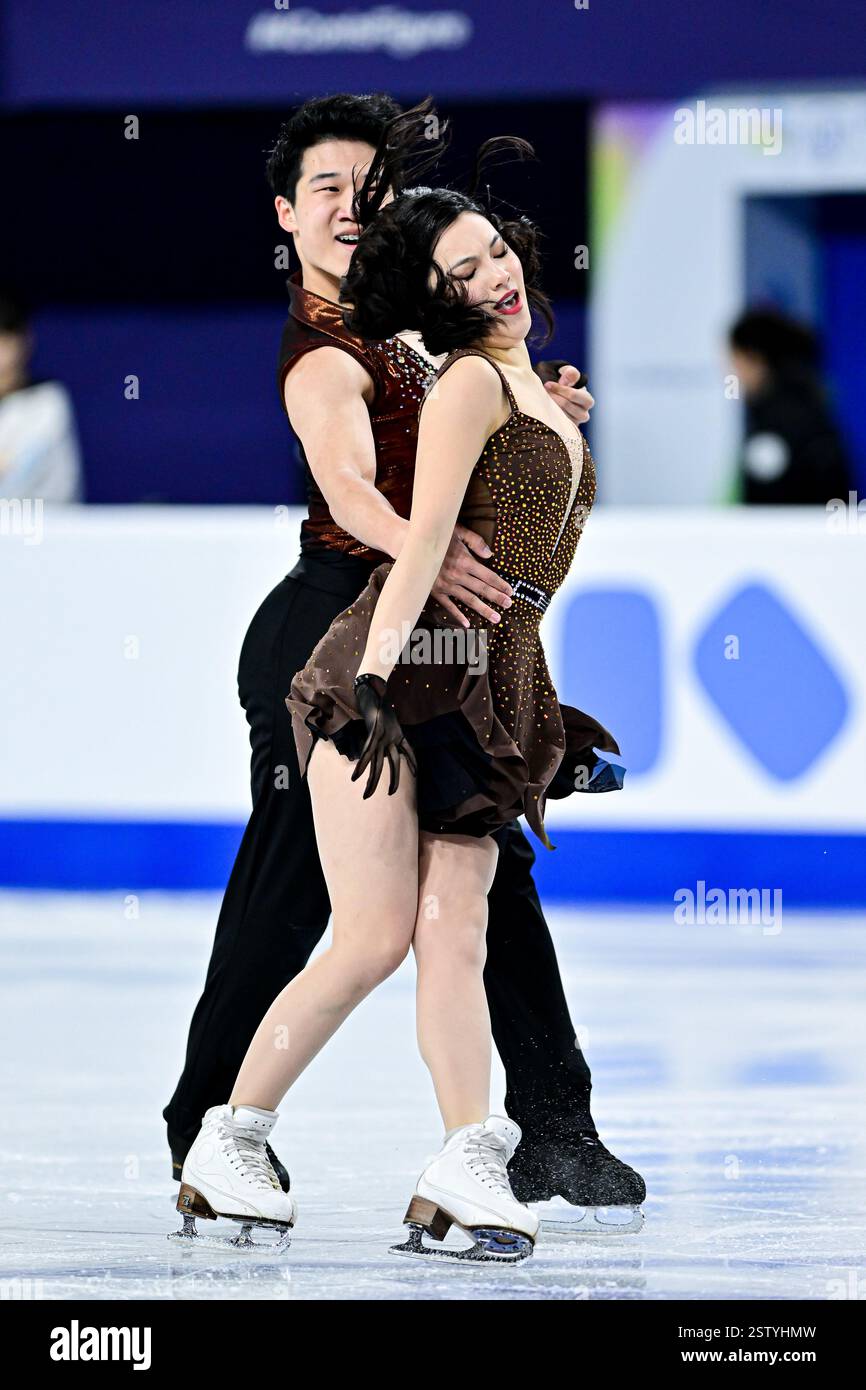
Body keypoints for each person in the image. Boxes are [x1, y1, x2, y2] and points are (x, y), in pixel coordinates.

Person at [164, 94, 645, 1250]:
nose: (348, 204)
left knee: (469, 901)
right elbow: (358, 495)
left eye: (366, 189)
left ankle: (514, 1132)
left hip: (440, 642)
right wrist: (425, 547)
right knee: (321, 910)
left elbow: (481, 441)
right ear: (286, 214)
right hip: (339, 629)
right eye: (323, 187)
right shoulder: (323, 353)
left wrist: (539, 429)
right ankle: (213, 1122)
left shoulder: (425, 338)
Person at [728, 307, 852, 505]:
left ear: (755, 359)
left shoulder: (775, 423)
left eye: (734, 363)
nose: (730, 375)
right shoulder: (812, 407)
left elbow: (765, 511)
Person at [0, 287, 83, 502]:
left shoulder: (47, 402)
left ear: (24, 341)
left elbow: (15, 477)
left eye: (4, 341)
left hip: (45, 529)